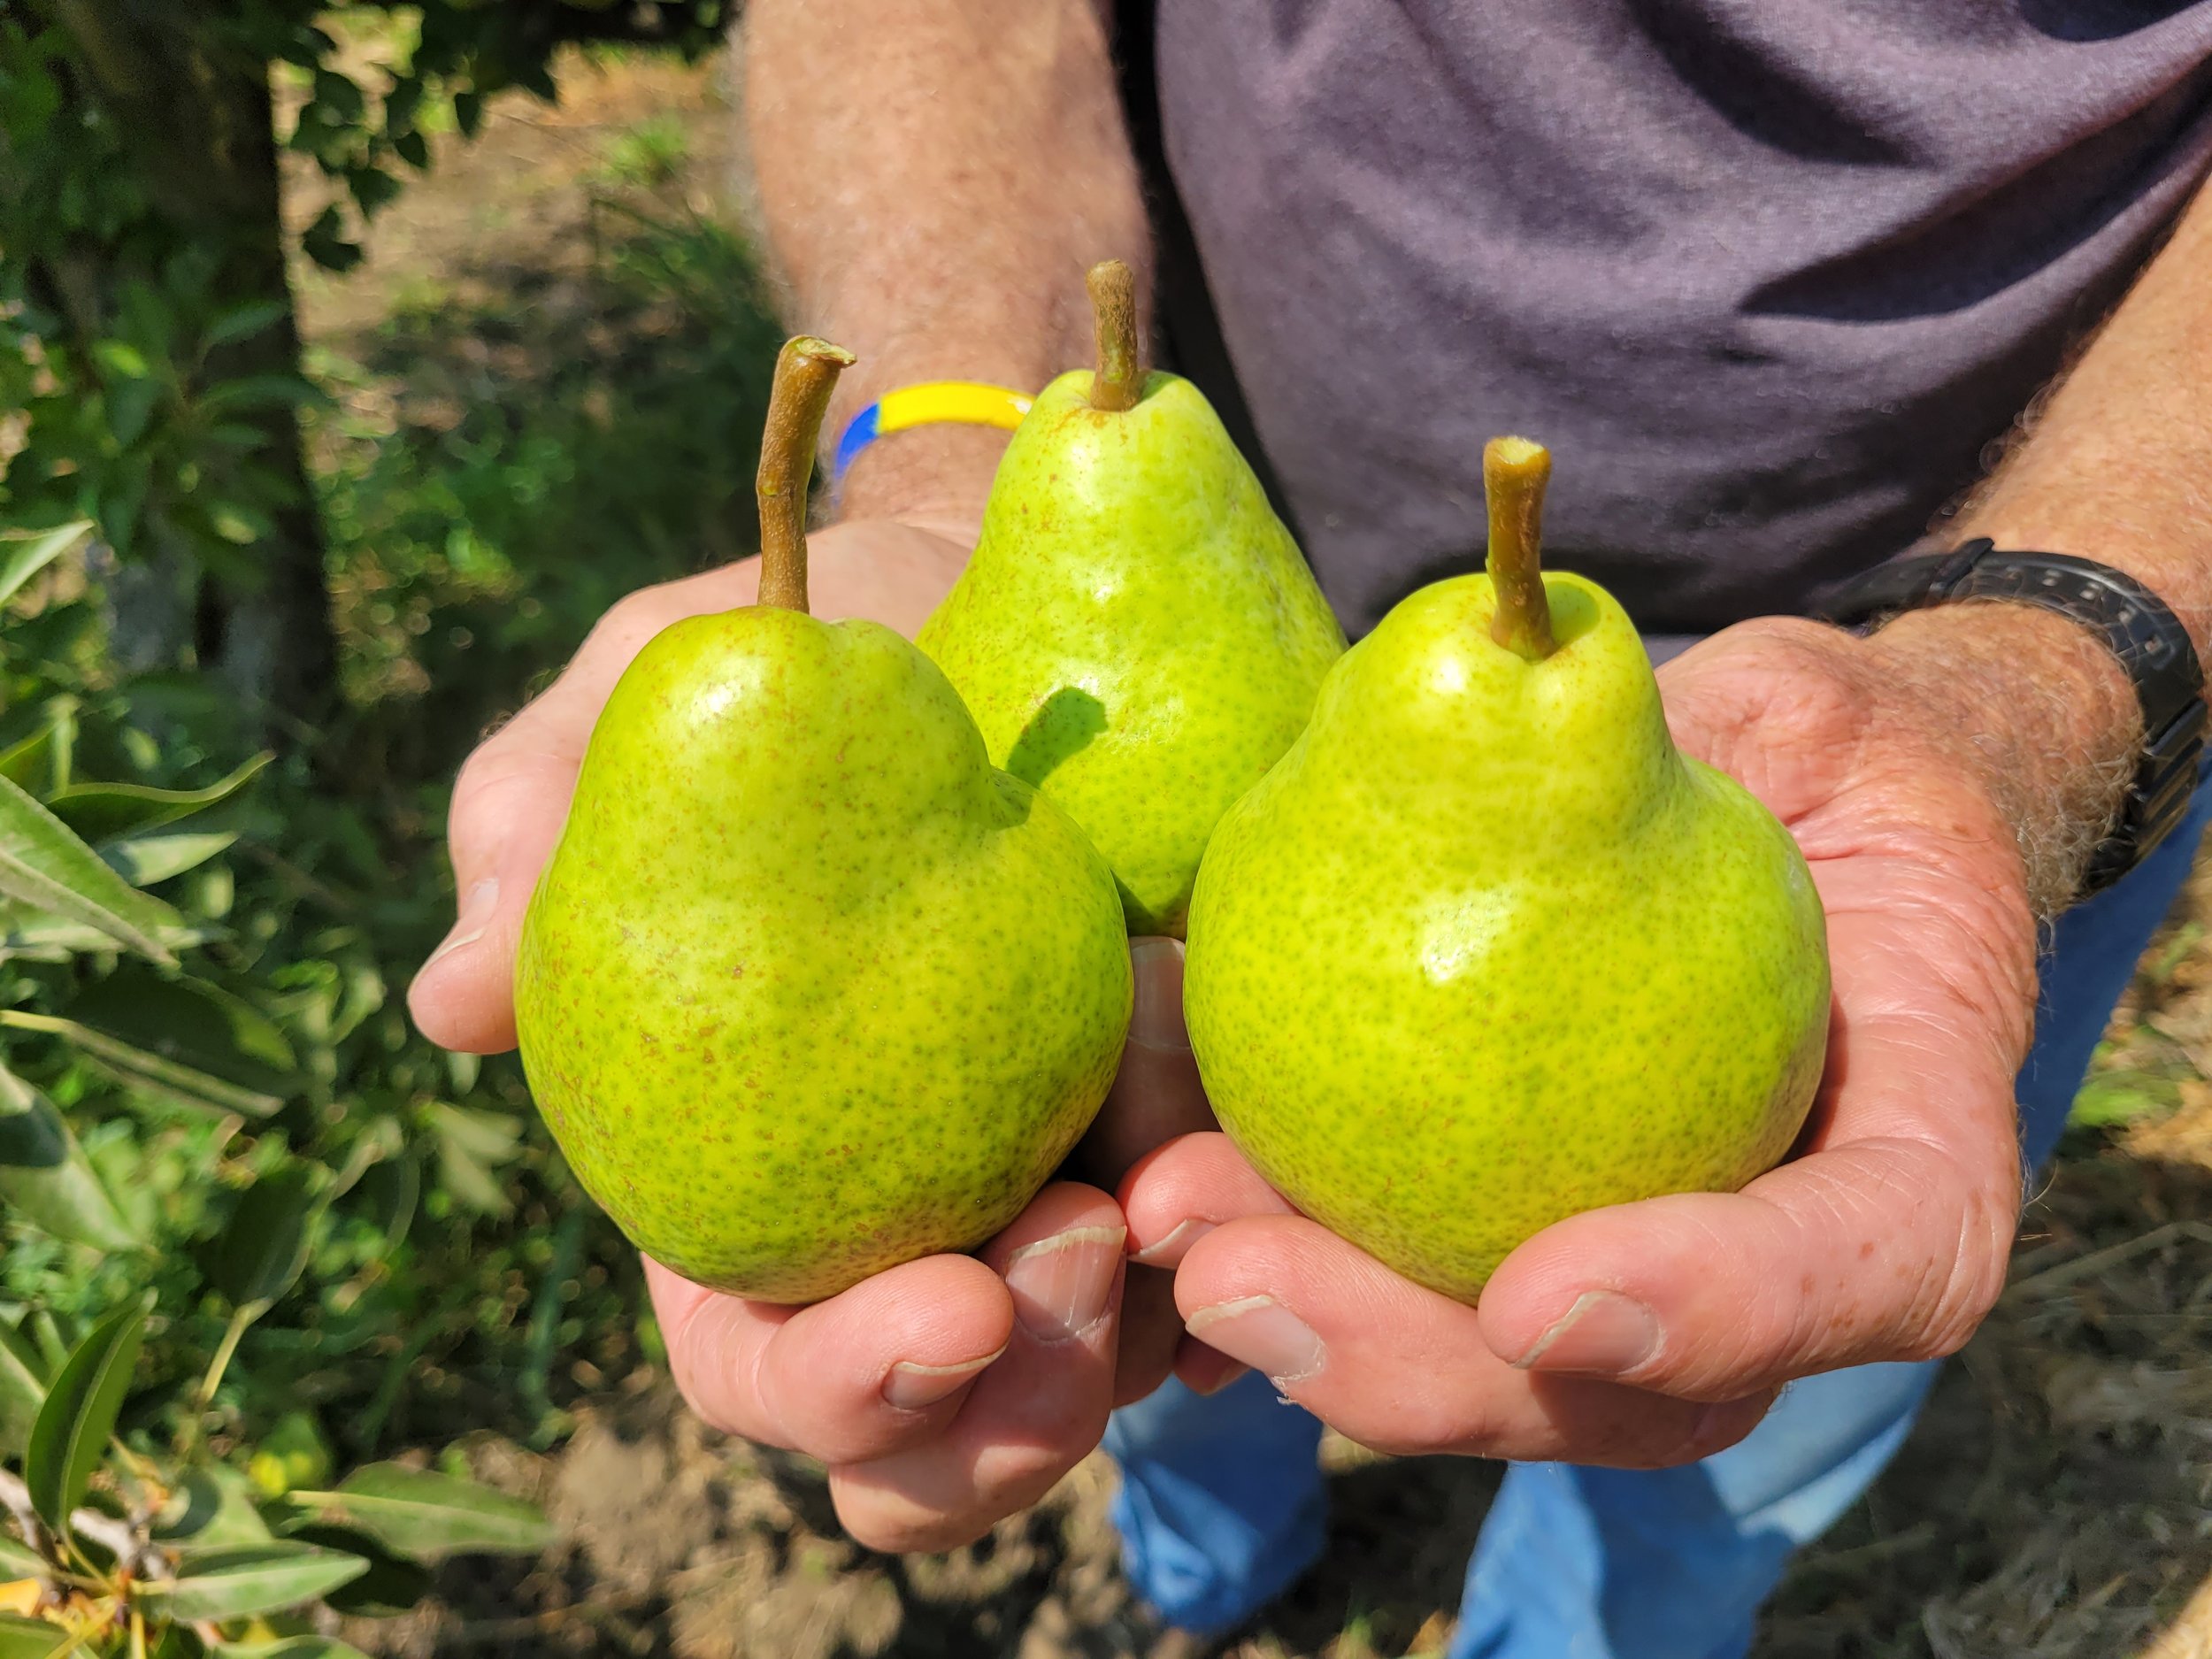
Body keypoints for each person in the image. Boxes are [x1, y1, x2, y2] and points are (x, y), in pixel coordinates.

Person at [406, 4, 2212, 1655]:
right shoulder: (986, 750)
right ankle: (1198, 1578)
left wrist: (2051, 662)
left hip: (1984, 663)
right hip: (1273, 587)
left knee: (1741, 1371)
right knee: (1142, 1281)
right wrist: (952, 458)